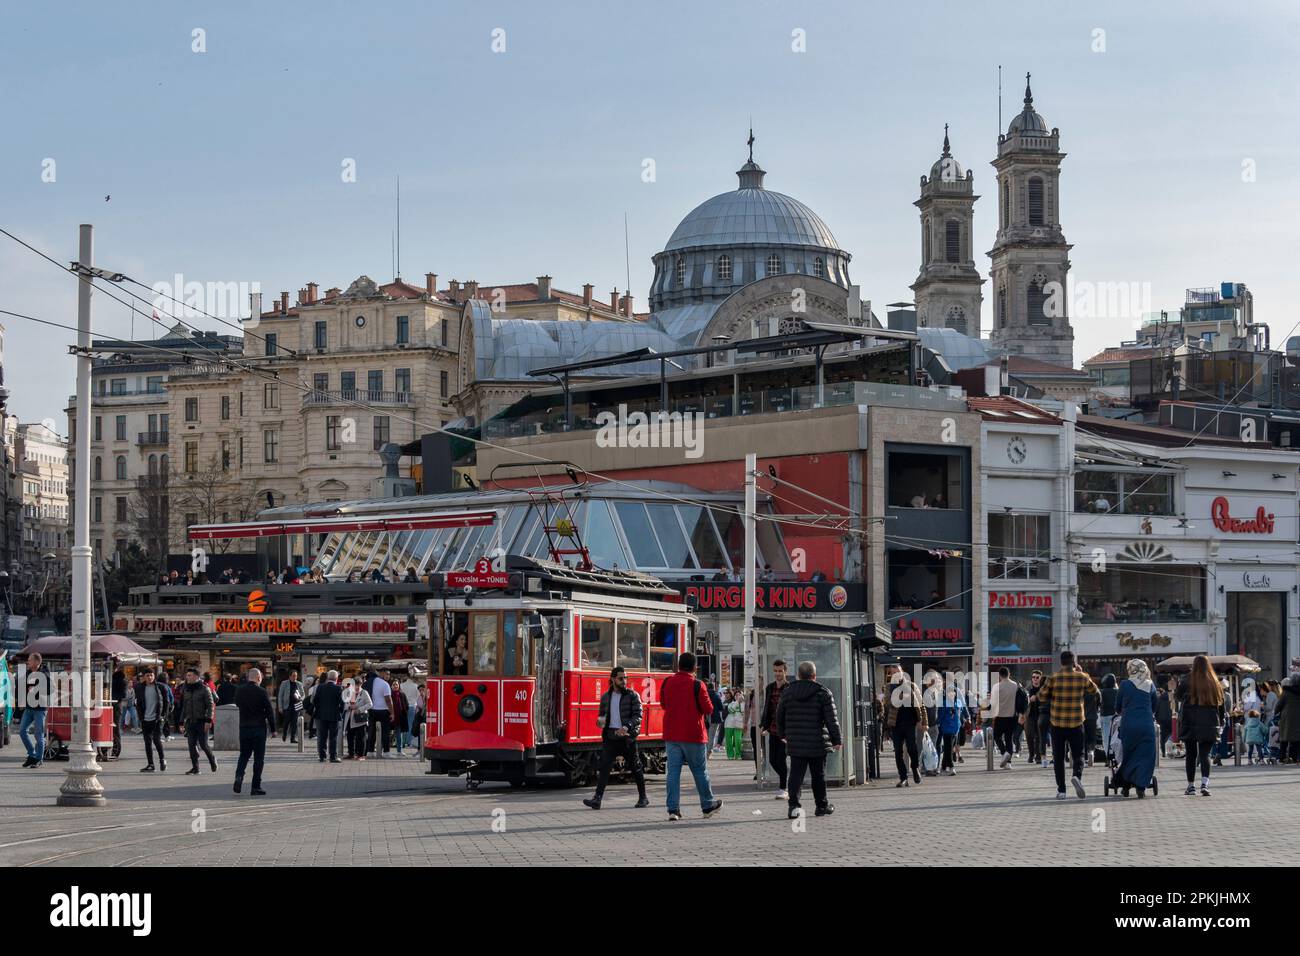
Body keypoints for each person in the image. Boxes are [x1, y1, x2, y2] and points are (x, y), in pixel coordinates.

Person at [659, 652, 722, 821]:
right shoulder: (697, 684)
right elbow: (709, 709)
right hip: (694, 735)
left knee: (672, 773)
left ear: (678, 666)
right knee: (700, 771)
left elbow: (663, 704)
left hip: (672, 735)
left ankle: (673, 809)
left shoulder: (667, 682)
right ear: (695, 667)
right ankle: (707, 805)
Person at [776, 660, 841, 818]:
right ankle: (821, 806)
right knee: (818, 775)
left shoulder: (788, 692)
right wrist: (836, 739)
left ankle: (793, 807)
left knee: (795, 775)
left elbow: (779, 715)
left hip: (795, 740)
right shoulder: (823, 692)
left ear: (798, 675)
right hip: (817, 741)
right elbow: (831, 719)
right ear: (814, 675)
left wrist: (782, 734)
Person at [583, 666, 650, 809]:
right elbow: (602, 716)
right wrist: (600, 722)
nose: (624, 681)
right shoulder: (606, 697)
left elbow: (638, 716)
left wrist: (626, 727)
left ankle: (643, 798)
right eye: (621, 678)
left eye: (625, 678)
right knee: (605, 767)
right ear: (613, 679)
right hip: (611, 737)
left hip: (627, 737)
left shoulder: (633, 695)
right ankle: (597, 799)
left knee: (635, 767)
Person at [1037, 651, 1098, 799]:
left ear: (1061, 662)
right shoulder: (1082, 677)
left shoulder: (1053, 678)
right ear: (1074, 662)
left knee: (1058, 757)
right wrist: (1081, 672)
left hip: (1057, 723)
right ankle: (1077, 776)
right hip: (1076, 722)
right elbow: (1094, 690)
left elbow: (1041, 696)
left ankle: (1061, 790)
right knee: (1078, 754)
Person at [1176, 654, 1225, 796]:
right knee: (1205, 754)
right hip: (1210, 722)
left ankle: (1191, 786)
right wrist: (1220, 721)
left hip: (1190, 721)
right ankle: (1205, 784)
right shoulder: (1214, 681)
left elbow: (1178, 697)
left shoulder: (1186, 680)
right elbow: (1220, 704)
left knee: (1191, 754)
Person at [1114, 658, 1158, 797]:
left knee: (1129, 754)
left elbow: (1118, 706)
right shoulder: (1150, 685)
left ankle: (1126, 786)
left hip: (1129, 725)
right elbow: (1155, 706)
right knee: (1145, 756)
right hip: (1146, 725)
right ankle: (1141, 786)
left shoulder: (1125, 684)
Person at [233, 667, 275, 795]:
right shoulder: (262, 692)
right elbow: (269, 711)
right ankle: (255, 786)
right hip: (258, 728)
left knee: (244, 755)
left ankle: (239, 776)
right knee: (258, 758)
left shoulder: (239, 690)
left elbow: (237, 704)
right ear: (258, 678)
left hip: (244, 727)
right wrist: (273, 729)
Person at [882, 668, 926, 787]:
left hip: (910, 722)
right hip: (896, 723)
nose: (895, 673)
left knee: (912, 748)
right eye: (893, 672)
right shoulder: (888, 687)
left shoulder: (911, 685)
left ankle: (915, 767)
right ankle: (903, 777)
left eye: (897, 671)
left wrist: (924, 722)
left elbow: (920, 704)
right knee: (898, 752)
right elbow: (887, 703)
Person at [759, 660, 792, 799]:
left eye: (780, 671)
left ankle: (783, 788)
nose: (777, 673)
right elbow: (768, 707)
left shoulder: (789, 687)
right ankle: (787, 778)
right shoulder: (770, 687)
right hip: (772, 728)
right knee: (772, 760)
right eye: (776, 671)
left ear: (785, 671)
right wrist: (764, 725)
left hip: (784, 729)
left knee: (781, 758)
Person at [179, 668, 218, 775]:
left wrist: (208, 720)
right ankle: (195, 768)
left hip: (202, 721)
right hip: (190, 721)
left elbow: (210, 706)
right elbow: (184, 707)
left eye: (190, 675)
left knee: (203, 744)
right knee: (191, 745)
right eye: (187, 675)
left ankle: (212, 759)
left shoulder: (205, 689)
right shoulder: (186, 689)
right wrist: (181, 722)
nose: (188, 677)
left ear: (196, 677)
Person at [135, 668, 171, 772]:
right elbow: (138, 702)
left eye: (151, 675)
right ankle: (150, 764)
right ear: (144, 677)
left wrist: (163, 716)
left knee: (156, 739)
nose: (149, 677)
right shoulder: (139, 688)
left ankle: (162, 760)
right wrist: (140, 716)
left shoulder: (161, 687)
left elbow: (167, 702)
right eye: (147, 675)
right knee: (147, 742)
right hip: (145, 719)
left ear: (154, 676)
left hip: (157, 718)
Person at [19, 652, 50, 768]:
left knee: (38, 735)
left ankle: (38, 758)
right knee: (22, 731)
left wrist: (36, 688)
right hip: (29, 708)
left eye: (30, 660)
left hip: (40, 709)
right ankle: (32, 754)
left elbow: (49, 690)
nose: (28, 662)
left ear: (37, 662)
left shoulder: (45, 673)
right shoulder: (28, 673)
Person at [989, 667, 1022, 769]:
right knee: (1009, 738)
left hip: (1000, 716)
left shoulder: (996, 687)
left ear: (999, 675)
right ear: (1009, 674)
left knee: (997, 736)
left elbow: (993, 703)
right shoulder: (1016, 685)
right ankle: (1009, 763)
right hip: (1013, 717)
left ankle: (1004, 752)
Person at [936, 676, 968, 776]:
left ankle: (943, 767)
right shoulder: (944, 704)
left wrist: (967, 718)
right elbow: (940, 717)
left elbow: (961, 712)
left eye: (953, 692)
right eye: (949, 692)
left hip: (955, 730)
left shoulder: (958, 703)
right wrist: (937, 725)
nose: (952, 694)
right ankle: (951, 767)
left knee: (948, 749)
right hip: (946, 729)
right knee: (948, 749)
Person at [312, 670, 344, 763]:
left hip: (321, 715)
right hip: (334, 715)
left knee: (322, 736)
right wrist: (340, 712)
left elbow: (315, 700)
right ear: (336, 678)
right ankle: (332, 756)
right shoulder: (338, 688)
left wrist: (319, 709)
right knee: (333, 737)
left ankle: (322, 756)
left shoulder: (320, 687)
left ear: (327, 678)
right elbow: (342, 703)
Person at [365, 668, 394, 757]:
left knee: (371, 731)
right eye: (386, 674)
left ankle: (370, 751)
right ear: (380, 673)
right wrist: (392, 712)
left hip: (371, 710)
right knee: (385, 732)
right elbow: (388, 699)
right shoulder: (384, 684)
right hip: (383, 711)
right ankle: (386, 752)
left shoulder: (367, 683)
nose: (387, 676)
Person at [343, 678, 372, 759]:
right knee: (350, 736)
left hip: (360, 718)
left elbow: (370, 704)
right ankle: (351, 753)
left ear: (361, 684)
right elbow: (344, 704)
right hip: (350, 717)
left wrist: (359, 709)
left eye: (357, 685)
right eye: (354, 685)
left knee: (361, 737)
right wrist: (349, 706)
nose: (356, 687)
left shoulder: (364, 693)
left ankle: (361, 754)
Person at [1276, 673, 1300, 763]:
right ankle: (1295, 757)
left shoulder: (1286, 692)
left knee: (1284, 739)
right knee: (1297, 740)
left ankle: (1282, 757)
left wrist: (1276, 713)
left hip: (1287, 720)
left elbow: (1279, 705)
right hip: (1298, 720)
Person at [277, 670, 304, 743]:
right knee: (286, 722)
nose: (295, 677)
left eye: (296, 676)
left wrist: (301, 698)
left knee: (294, 722)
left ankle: (292, 738)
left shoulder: (299, 684)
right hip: (287, 705)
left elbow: (303, 694)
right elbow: (280, 696)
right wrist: (280, 707)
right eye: (293, 676)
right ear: (289, 676)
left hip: (296, 705)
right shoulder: (284, 683)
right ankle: (284, 733)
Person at [1024, 670, 1045, 764]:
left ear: (1040, 678)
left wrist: (1036, 697)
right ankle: (1031, 754)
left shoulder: (1043, 689)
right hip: (1029, 715)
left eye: (1037, 677)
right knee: (1029, 735)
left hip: (1041, 714)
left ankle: (1038, 756)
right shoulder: (1028, 689)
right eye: (1033, 677)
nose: (1035, 679)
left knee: (1039, 736)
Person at [1099, 673, 1118, 760]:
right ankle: (1116, 755)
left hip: (1105, 716)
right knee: (1116, 737)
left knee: (1106, 738)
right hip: (1116, 716)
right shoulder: (1118, 691)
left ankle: (1108, 756)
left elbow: (1098, 703)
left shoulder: (1101, 692)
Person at [388, 675, 408, 755]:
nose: (395, 686)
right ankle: (386, 750)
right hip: (390, 717)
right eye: (394, 684)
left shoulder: (402, 694)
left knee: (399, 734)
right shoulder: (389, 694)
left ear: (399, 685)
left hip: (400, 718)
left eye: (396, 684)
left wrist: (404, 711)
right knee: (388, 734)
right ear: (391, 686)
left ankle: (399, 750)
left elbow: (406, 704)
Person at [723, 687, 745, 759]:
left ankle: (738, 754)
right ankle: (730, 755)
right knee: (728, 740)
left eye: (739, 694)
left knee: (738, 740)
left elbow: (743, 711)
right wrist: (737, 702)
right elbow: (731, 710)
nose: (738, 696)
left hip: (739, 724)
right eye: (736, 695)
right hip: (729, 724)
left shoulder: (744, 704)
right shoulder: (731, 703)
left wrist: (740, 702)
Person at [1155, 679, 1175, 757]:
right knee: (1172, 734)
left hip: (1162, 719)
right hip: (1171, 719)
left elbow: (1157, 708)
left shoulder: (1160, 698)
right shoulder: (1172, 697)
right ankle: (1171, 751)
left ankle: (1163, 751)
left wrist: (1156, 717)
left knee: (1163, 736)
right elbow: (1173, 708)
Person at [707, 680, 726, 754]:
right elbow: (721, 707)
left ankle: (705, 750)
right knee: (712, 735)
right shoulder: (716, 695)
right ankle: (709, 751)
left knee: (707, 735)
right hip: (715, 718)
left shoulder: (705, 694)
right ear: (714, 687)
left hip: (705, 718)